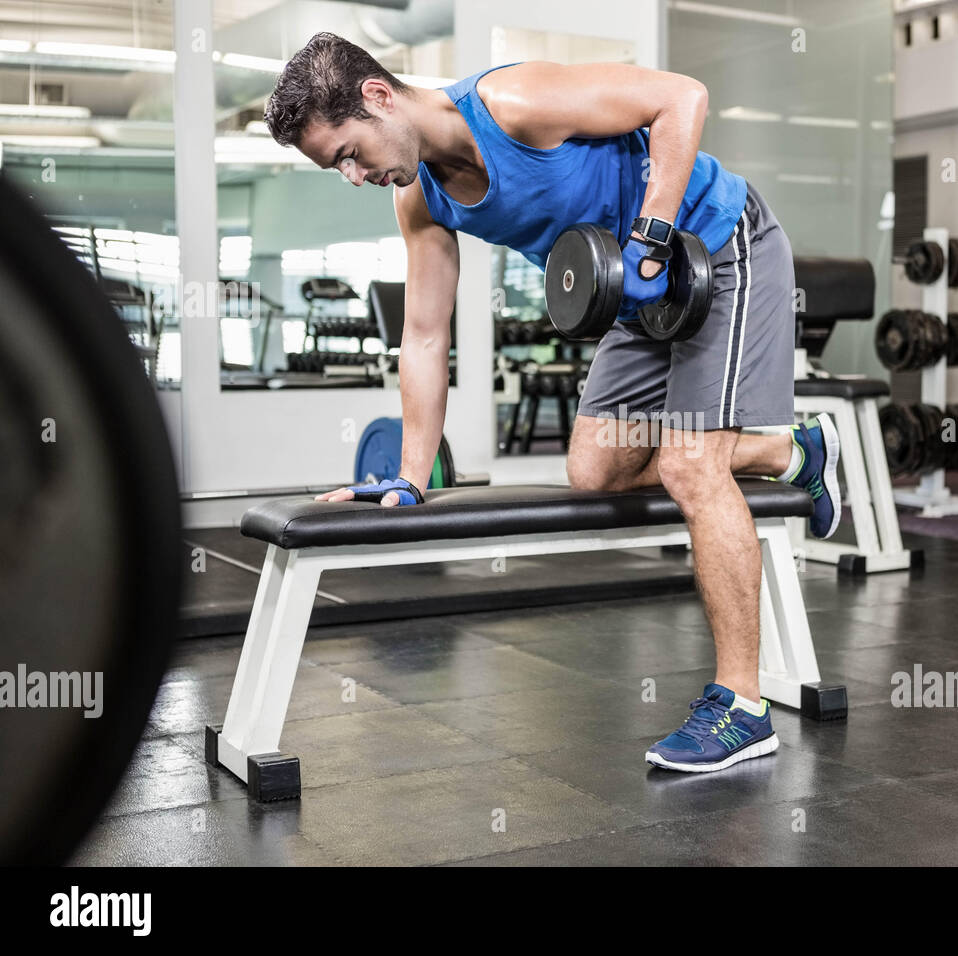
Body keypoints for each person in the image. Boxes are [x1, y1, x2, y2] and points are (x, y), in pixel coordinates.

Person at [265, 33, 842, 773]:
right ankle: (795, 452)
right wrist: (412, 475)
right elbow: (422, 333)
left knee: (694, 468)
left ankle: (743, 707)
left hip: (717, 246)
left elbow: (681, 98)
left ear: (377, 97)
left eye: (348, 152)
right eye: (335, 167)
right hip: (639, 298)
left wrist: (651, 237)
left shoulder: (514, 104)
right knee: (596, 472)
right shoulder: (421, 198)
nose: (352, 176)